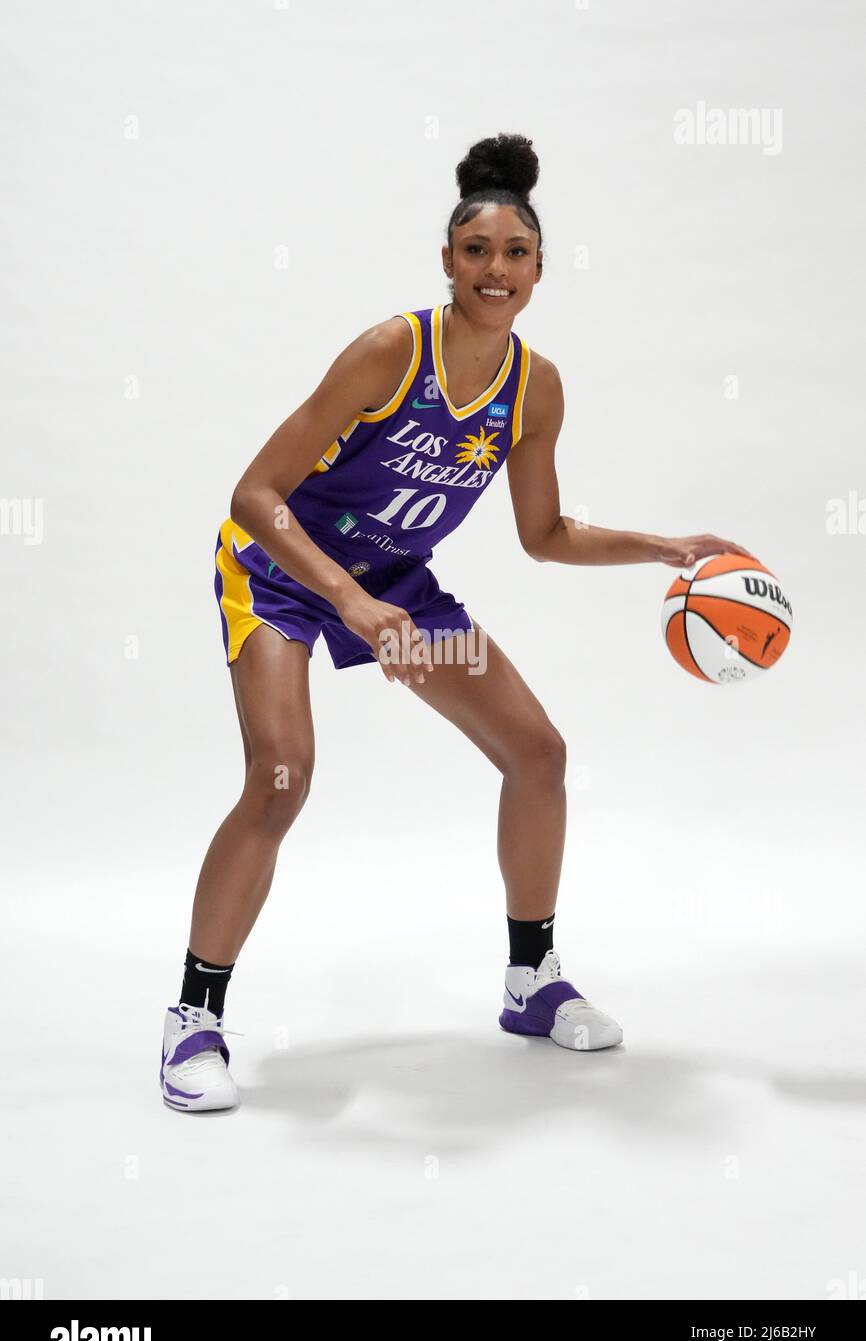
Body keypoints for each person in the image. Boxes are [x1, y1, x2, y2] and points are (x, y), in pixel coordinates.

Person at [160, 132, 751, 1111]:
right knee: (281, 777)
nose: (495, 269)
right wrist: (347, 600)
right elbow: (252, 491)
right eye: (476, 251)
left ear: (538, 271)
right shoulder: (392, 351)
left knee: (538, 753)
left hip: (396, 582)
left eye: (514, 254)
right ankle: (194, 1021)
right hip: (277, 573)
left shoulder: (534, 388)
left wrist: (660, 546)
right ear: (447, 260)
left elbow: (544, 531)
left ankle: (530, 980)